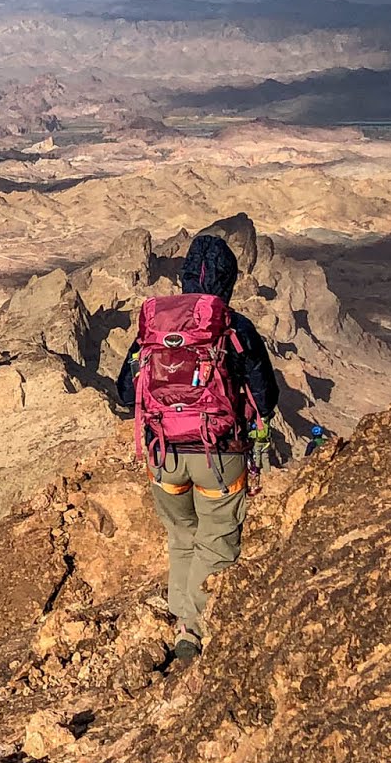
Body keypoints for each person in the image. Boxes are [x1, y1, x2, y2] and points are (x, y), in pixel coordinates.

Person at [116, 234, 279, 663]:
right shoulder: (233, 326)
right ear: (229, 281)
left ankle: (181, 619)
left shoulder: (156, 326)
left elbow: (123, 389)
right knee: (216, 541)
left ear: (185, 276)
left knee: (182, 536)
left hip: (164, 454)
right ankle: (196, 633)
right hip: (218, 455)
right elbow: (266, 398)